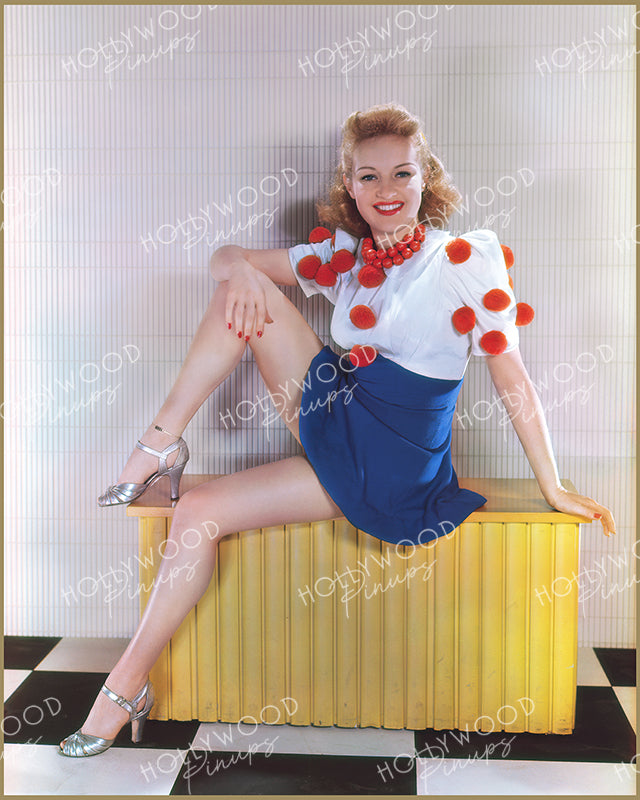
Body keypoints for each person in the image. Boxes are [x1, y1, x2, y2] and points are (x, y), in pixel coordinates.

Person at [59, 103, 615, 757]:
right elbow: (224, 259)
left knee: (199, 509)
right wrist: (242, 269)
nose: (387, 190)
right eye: (369, 176)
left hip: (395, 464)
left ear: (426, 178)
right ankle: (159, 445)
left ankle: (122, 686)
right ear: (349, 185)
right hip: (339, 412)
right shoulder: (345, 256)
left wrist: (552, 484)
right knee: (239, 289)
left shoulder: (464, 259)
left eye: (402, 173)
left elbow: (511, 377)